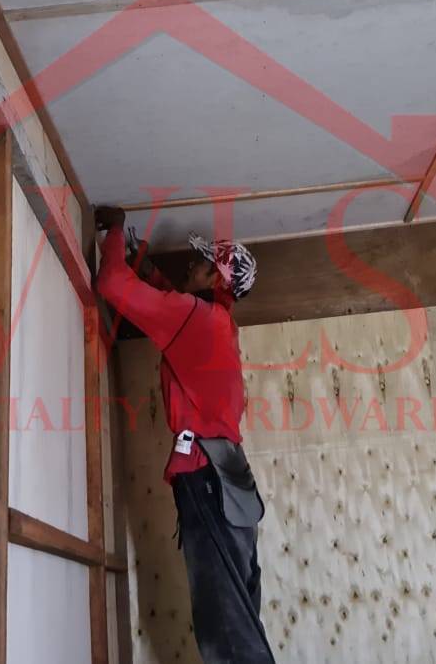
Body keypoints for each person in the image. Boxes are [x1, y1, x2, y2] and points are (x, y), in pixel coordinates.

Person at [94, 205, 276, 664]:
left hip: (210, 477)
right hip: (226, 478)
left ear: (216, 281)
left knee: (225, 621)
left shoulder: (200, 321)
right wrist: (146, 263)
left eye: (202, 263)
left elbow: (112, 286)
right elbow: (171, 303)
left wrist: (113, 233)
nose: (192, 264)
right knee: (237, 610)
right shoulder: (216, 323)